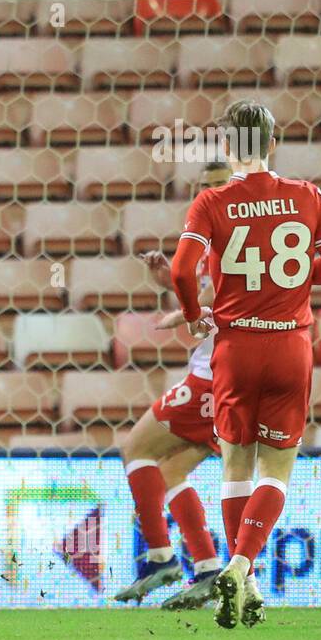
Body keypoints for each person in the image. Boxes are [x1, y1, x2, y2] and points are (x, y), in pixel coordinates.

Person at [171, 100, 321, 629]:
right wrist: (287, 281)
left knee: (235, 465)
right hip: (290, 346)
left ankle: (240, 573)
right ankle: (244, 568)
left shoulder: (211, 201)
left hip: (235, 346)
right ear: (274, 143)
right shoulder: (307, 196)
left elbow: (183, 270)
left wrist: (192, 315)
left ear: (227, 148)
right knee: (277, 467)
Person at [114, 160, 229, 610]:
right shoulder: (210, 242)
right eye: (205, 186)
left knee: (136, 449)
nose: (212, 193)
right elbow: (202, 293)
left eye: (220, 185)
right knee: (170, 472)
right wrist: (168, 281)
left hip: (214, 380)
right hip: (223, 381)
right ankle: (207, 570)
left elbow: (215, 299)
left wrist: (181, 313)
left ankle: (161, 558)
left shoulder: (234, 241)